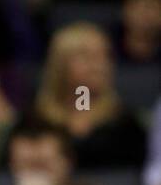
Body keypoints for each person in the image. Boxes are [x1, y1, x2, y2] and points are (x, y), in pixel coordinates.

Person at [33, 23, 147, 170]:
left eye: (105, 56)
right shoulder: (35, 122)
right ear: (60, 64)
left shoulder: (127, 125)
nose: (99, 66)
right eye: (86, 57)